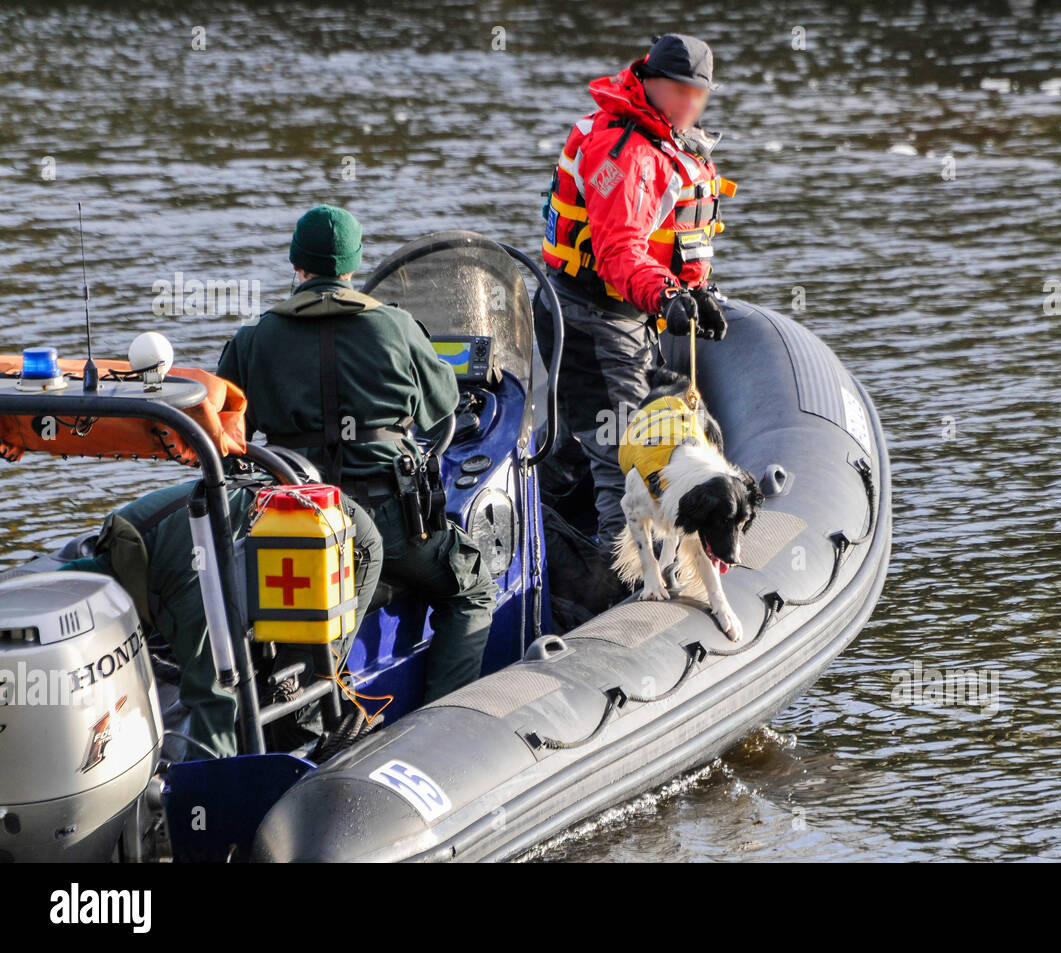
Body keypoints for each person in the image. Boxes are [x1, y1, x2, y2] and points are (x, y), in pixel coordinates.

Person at [217, 205, 499, 706]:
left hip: (298, 528)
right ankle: (446, 715)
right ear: (352, 267)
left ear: (296, 266)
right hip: (391, 524)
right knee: (471, 587)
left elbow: (231, 435)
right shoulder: (395, 326)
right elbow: (443, 408)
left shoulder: (252, 340)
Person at [535, 33, 736, 568]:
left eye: (700, 93)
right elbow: (619, 252)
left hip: (613, 314)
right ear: (648, 83)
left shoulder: (663, 138)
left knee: (586, 439)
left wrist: (693, 292)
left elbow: (664, 240)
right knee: (624, 456)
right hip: (593, 318)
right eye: (679, 90)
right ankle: (618, 582)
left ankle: (548, 523)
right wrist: (667, 294)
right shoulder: (626, 156)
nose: (691, 103)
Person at [60, 477, 384, 760]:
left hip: (340, 539)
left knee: (299, 693)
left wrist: (200, 786)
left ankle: (312, 758)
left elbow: (213, 694)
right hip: (269, 545)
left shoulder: (182, 583)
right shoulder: (121, 553)